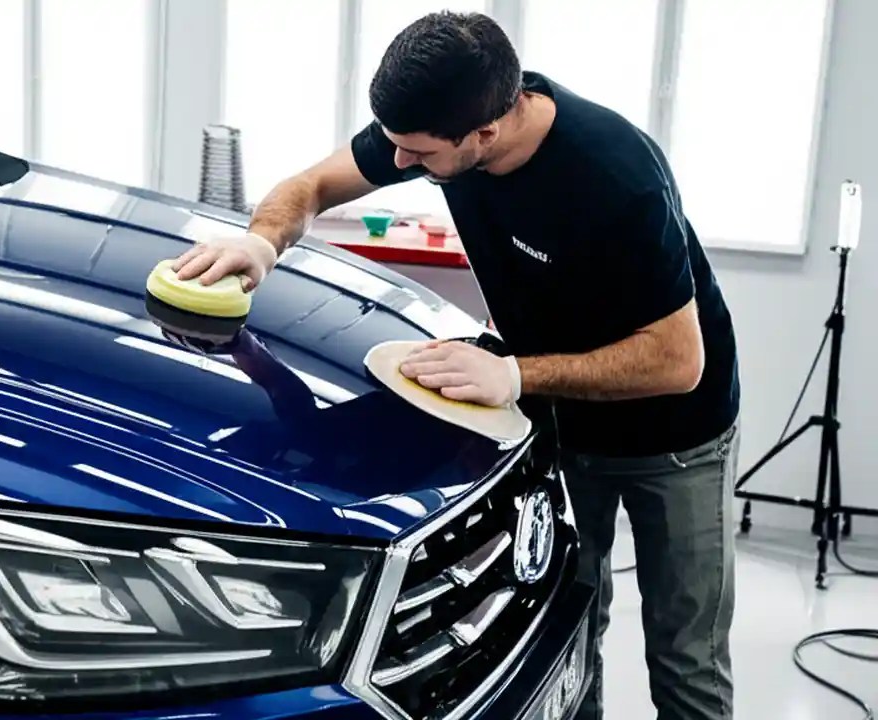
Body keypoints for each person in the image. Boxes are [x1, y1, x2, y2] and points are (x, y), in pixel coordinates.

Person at [170, 10, 741, 720]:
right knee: (568, 619)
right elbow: (312, 186)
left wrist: (518, 375)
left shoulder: (616, 177)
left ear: (486, 135)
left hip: (676, 438)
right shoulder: (441, 121)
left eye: (418, 154)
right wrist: (263, 243)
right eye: (396, 147)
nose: (401, 165)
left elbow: (679, 360)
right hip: (568, 426)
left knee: (685, 657)